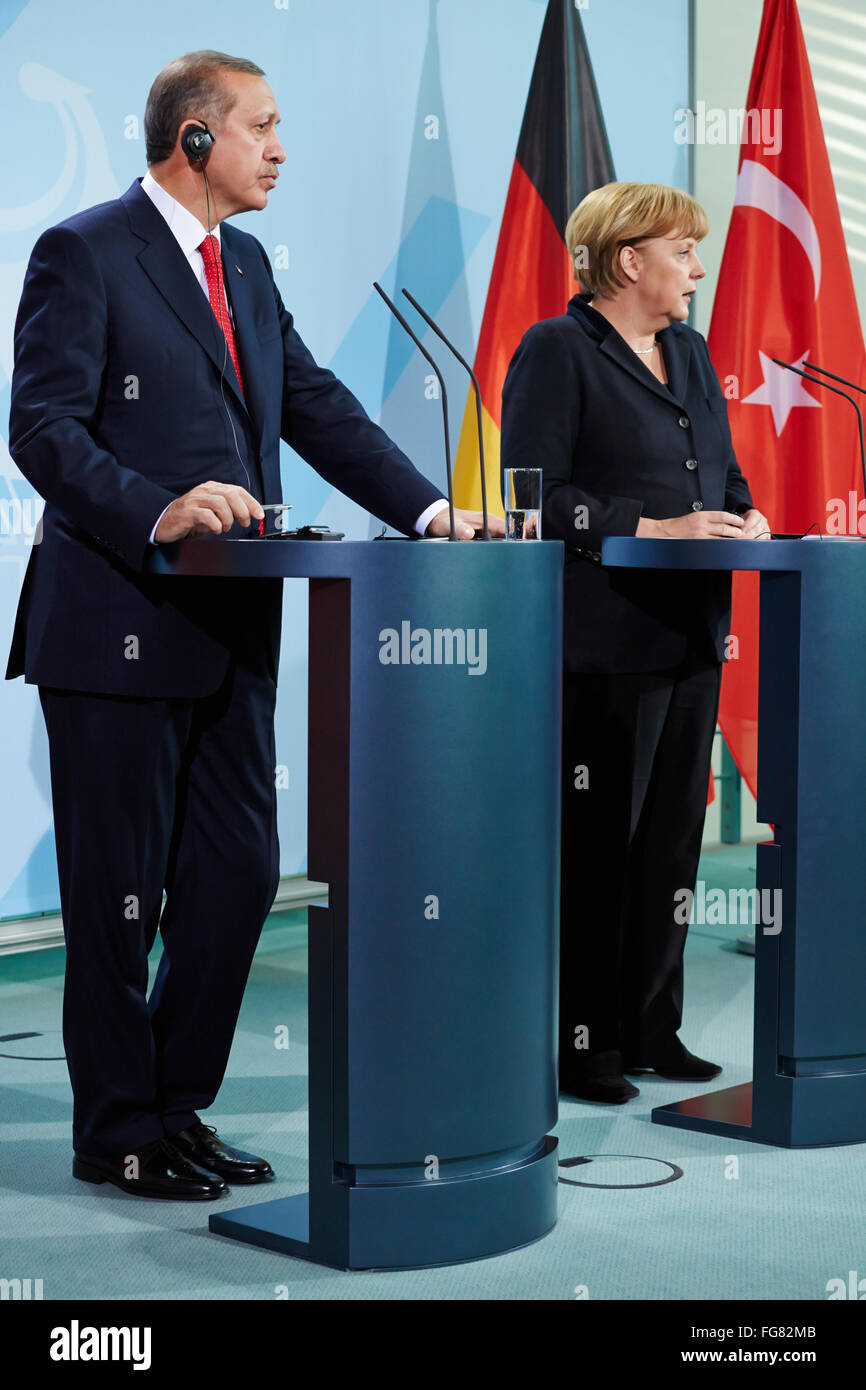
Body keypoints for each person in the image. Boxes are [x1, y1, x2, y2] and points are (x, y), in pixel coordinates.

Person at [6, 50, 498, 1199]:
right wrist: (156, 508)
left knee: (234, 877)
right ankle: (118, 1128)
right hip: (117, 626)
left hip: (232, 630)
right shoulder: (84, 250)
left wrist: (430, 510)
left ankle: (176, 1110)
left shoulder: (248, 264)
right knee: (117, 900)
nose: (280, 150)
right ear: (192, 140)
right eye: (262, 128)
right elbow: (42, 427)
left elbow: (316, 403)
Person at [501, 181, 769, 1104]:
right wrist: (657, 525)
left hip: (693, 632)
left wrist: (743, 515)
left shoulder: (689, 351)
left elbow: (721, 477)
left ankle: (655, 1028)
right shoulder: (555, 350)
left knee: (671, 847)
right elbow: (535, 496)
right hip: (605, 644)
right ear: (628, 262)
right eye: (683, 252)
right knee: (602, 848)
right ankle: (588, 1046)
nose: (697, 268)